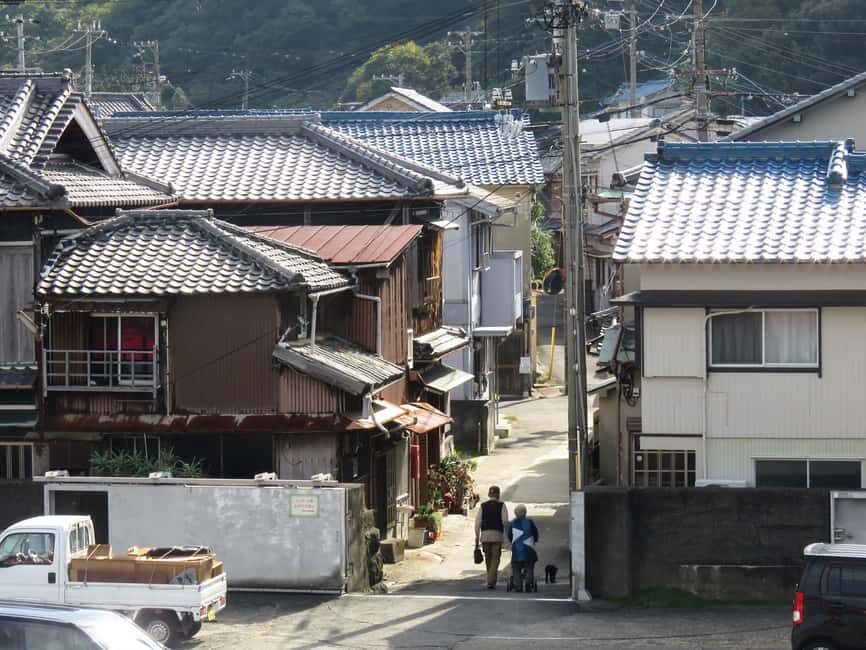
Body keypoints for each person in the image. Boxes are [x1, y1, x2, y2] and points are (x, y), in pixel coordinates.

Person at [475, 485, 508, 589]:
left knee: (488, 558)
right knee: (495, 558)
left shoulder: (483, 506)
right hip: (497, 535)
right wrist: (507, 535)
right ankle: (491, 580)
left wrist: (477, 536)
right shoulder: (502, 505)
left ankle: (491, 579)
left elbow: (477, 523)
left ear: (489, 494)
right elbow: (505, 521)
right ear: (498, 495)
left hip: (485, 535)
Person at [507, 504, 539, 592]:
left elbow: (510, 535)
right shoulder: (530, 522)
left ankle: (518, 585)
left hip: (517, 551)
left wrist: (512, 541)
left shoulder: (513, 523)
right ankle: (529, 583)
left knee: (516, 568)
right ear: (525, 513)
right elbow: (535, 533)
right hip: (529, 549)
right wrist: (534, 540)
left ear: (515, 514)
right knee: (529, 567)